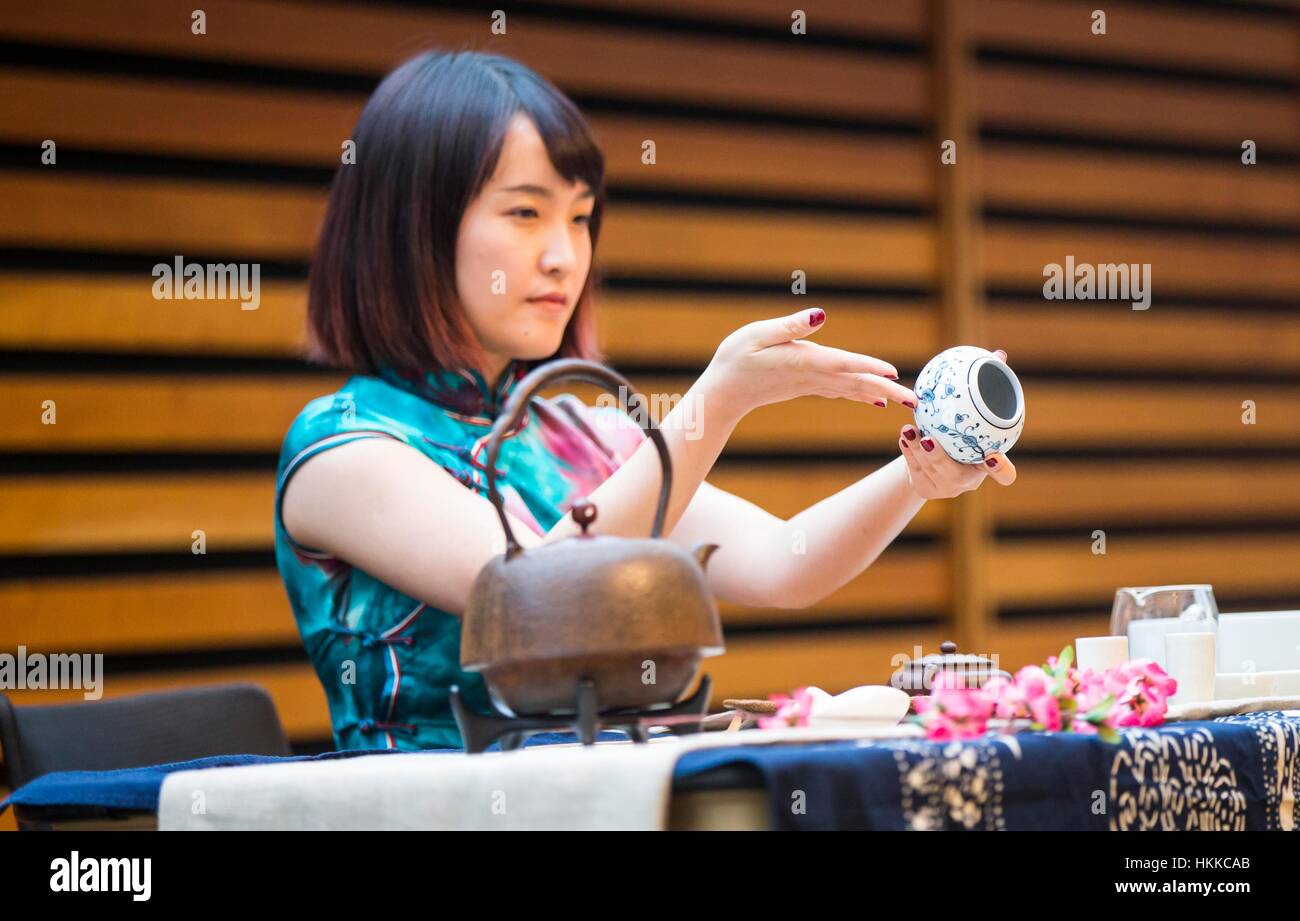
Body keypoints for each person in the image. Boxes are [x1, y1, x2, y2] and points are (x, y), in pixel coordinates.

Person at [275, 49, 1017, 751]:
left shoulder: (577, 434)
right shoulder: (343, 450)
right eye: (525, 213)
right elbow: (535, 599)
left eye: (579, 216)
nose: (565, 254)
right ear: (415, 228)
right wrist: (717, 403)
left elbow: (784, 564)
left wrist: (921, 473)